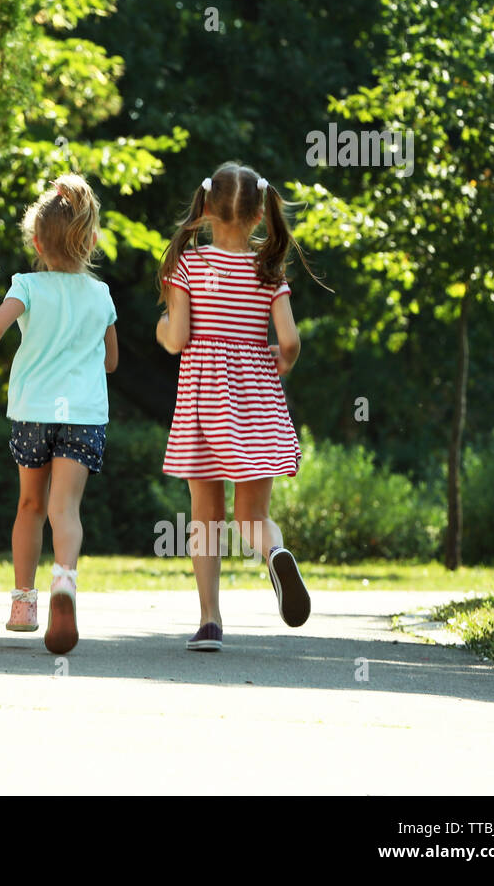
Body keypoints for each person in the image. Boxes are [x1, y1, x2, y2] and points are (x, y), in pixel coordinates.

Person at [156, 161, 323, 652]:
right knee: (252, 515)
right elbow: (289, 342)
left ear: (206, 208)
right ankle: (275, 553)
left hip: (204, 402)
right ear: (258, 215)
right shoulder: (268, 269)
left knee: (205, 515)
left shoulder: (187, 265)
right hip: (258, 400)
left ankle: (210, 621)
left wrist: (162, 331)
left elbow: (178, 336)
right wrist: (276, 362)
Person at [0, 174, 116, 654]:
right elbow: (111, 362)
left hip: (33, 412)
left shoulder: (26, 284)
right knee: (66, 508)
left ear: (37, 242)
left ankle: (24, 603)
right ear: (90, 240)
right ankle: (64, 582)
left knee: (30, 506)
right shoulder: (100, 295)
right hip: (83, 414)